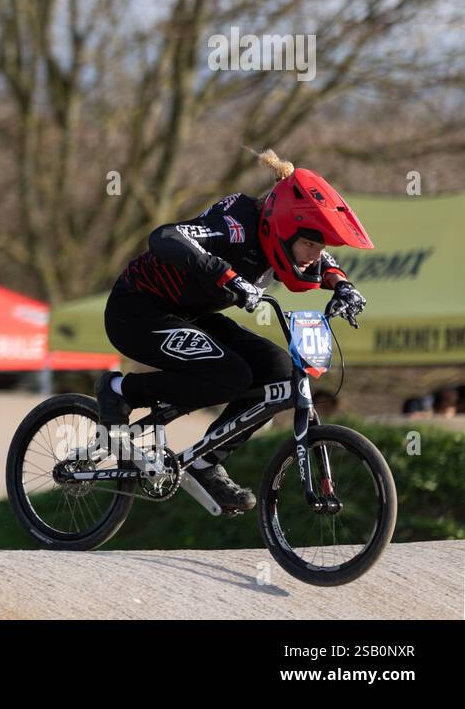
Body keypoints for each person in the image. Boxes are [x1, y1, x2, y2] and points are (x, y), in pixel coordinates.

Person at [95, 150, 372, 510]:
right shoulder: (235, 228)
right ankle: (120, 389)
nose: (313, 255)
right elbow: (165, 236)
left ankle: (207, 462)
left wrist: (342, 285)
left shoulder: (289, 239)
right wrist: (225, 274)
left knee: (275, 371)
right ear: (282, 229)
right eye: (309, 245)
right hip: (138, 312)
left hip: (190, 313)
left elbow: (323, 261)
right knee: (231, 374)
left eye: (318, 247)